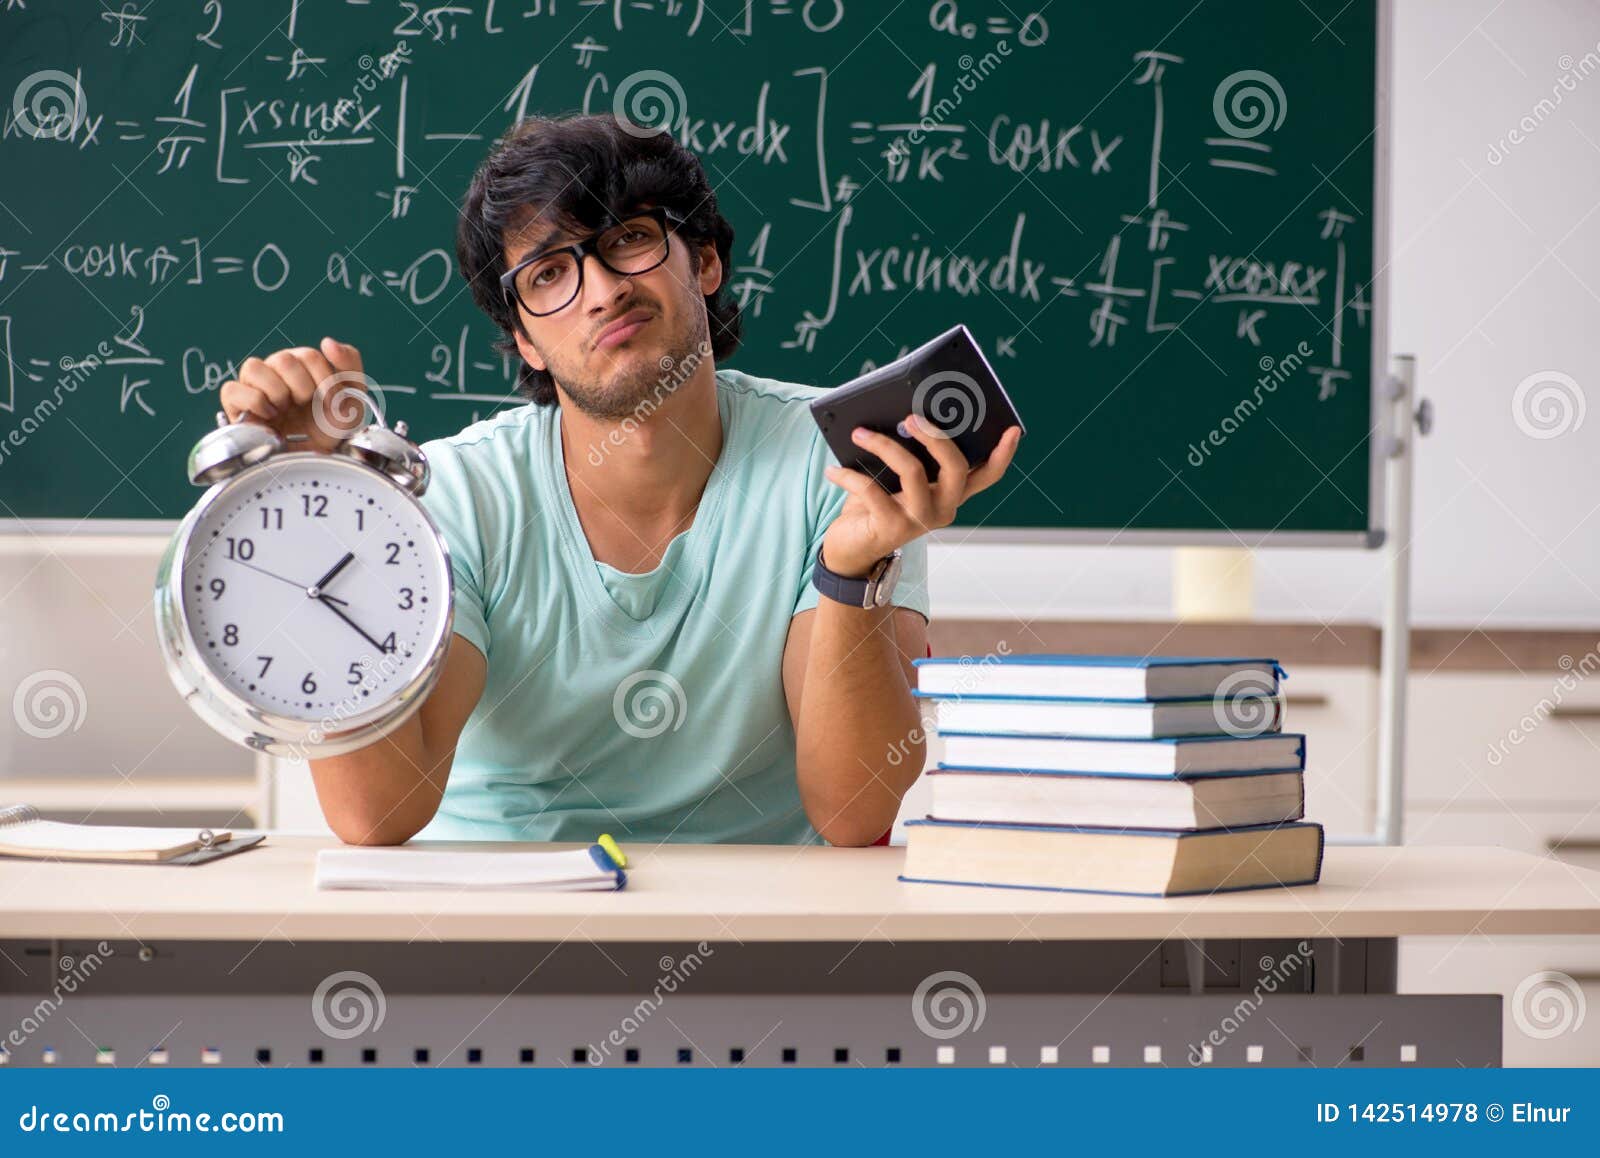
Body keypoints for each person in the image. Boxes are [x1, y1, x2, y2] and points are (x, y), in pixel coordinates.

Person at [219, 113, 1021, 847]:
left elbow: (854, 812)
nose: (603, 291)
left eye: (630, 239)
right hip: (500, 917)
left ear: (704, 261)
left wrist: (851, 569)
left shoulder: (840, 463)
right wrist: (327, 514)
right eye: (548, 275)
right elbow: (377, 814)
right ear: (524, 340)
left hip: (756, 924)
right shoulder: (457, 496)